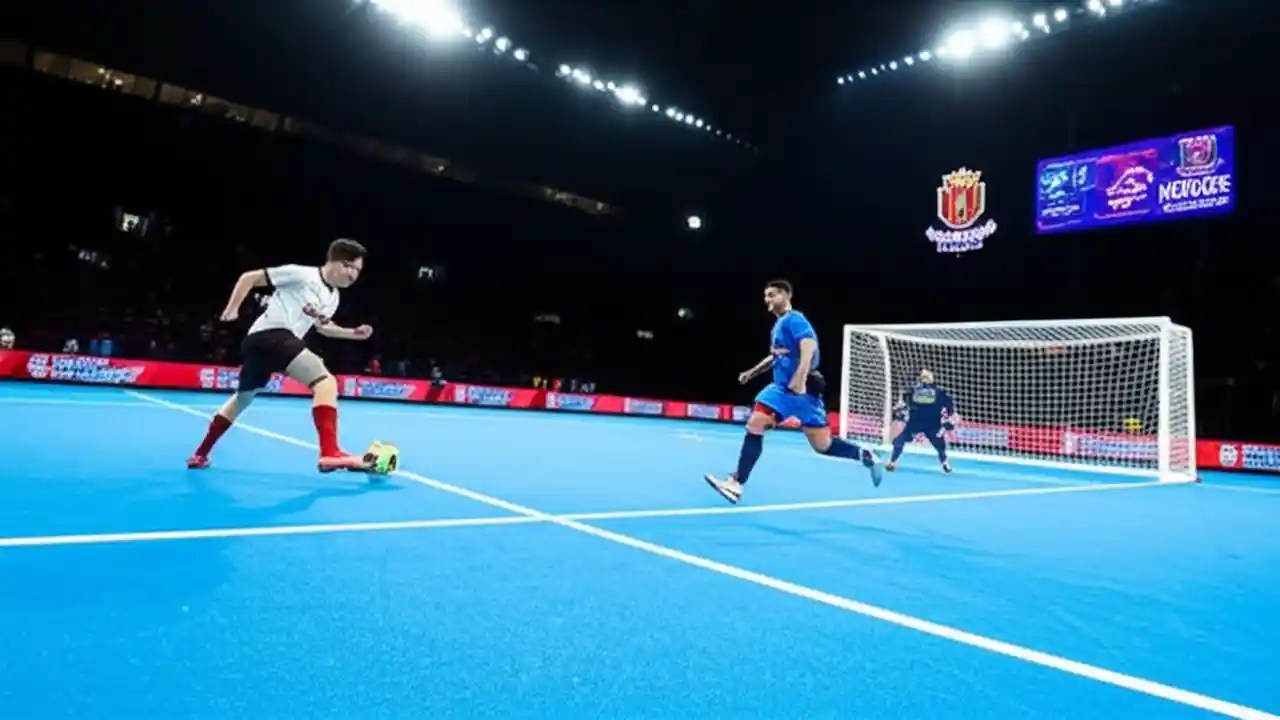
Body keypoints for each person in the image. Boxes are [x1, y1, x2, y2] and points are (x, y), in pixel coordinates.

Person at [187, 238, 375, 472]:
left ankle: (200, 454)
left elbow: (323, 327)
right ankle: (330, 452)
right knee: (325, 382)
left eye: (359, 271)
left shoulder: (333, 297)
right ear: (337, 262)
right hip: (272, 335)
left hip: (262, 346)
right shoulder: (301, 274)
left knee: (242, 399)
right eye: (352, 267)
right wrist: (231, 309)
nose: (354, 275)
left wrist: (353, 333)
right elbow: (250, 278)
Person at [704, 280, 883, 504]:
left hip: (801, 390)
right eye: (765, 296)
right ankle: (737, 483)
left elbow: (809, 346)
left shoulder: (795, 319)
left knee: (823, 446)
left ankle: (864, 455)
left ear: (786, 295)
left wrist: (799, 377)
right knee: (757, 423)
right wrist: (752, 372)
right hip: (783, 391)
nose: (767, 300)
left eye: (772, 295)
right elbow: (776, 356)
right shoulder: (778, 326)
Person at [886, 368, 955, 473]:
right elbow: (949, 407)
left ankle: (892, 461)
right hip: (932, 423)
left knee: (901, 438)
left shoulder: (912, 390)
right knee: (940, 444)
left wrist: (901, 411)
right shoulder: (940, 392)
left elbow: (905, 402)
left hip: (915, 422)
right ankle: (945, 463)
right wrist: (949, 417)